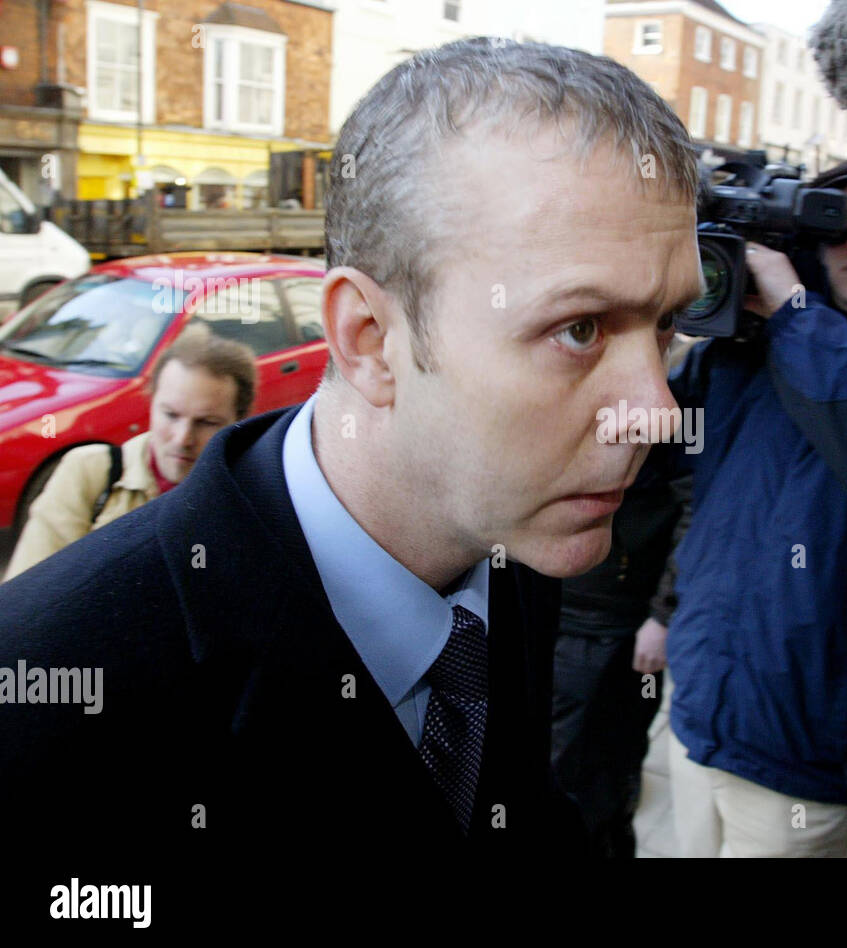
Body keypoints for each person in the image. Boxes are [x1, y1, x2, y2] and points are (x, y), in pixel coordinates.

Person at [0, 39, 701, 864]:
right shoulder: (46, 692)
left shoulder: (513, 548)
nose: (655, 413)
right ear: (369, 340)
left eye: (665, 325)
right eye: (579, 329)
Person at [660, 162, 847, 857]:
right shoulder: (751, 351)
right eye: (835, 231)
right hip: (701, 713)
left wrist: (798, 314)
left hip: (806, 757)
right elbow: (651, 451)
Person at [4, 329, 257, 580]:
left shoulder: (250, 498)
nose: (183, 439)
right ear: (151, 402)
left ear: (238, 421)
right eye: (170, 415)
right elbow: (27, 595)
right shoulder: (89, 472)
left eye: (207, 422)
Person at [550, 443, 681, 858]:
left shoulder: (675, 415)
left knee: (600, 764)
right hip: (565, 613)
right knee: (570, 763)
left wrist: (663, 614)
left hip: (615, 623)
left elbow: (694, 505)